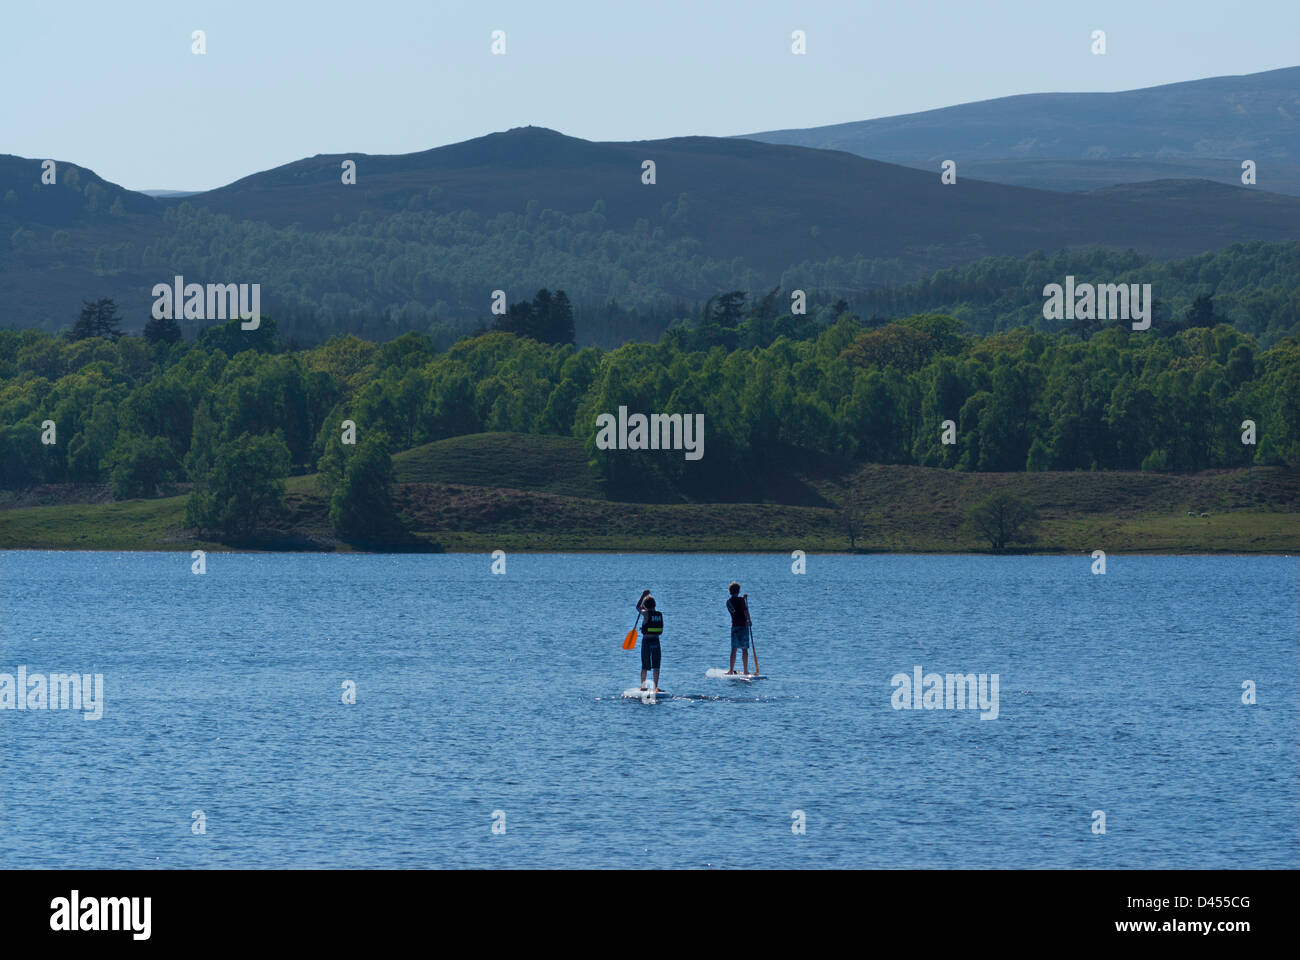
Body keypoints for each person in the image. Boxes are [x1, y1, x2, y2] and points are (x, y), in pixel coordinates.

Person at [637, 590, 664, 692]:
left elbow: (637, 607)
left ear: (645, 606)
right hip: (656, 642)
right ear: (654, 605)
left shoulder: (646, 614)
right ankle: (655, 687)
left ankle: (643, 686)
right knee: (656, 666)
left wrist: (643, 595)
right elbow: (649, 609)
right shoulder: (658, 614)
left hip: (647, 642)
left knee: (645, 665)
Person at [726, 581, 753, 675]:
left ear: (730, 591)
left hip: (735, 627)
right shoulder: (741, 601)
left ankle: (730, 670)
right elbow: (745, 612)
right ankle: (745, 670)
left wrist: (743, 599)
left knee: (734, 649)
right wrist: (749, 620)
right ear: (738, 591)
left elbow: (735, 610)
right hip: (743, 627)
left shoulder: (728, 602)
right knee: (744, 649)